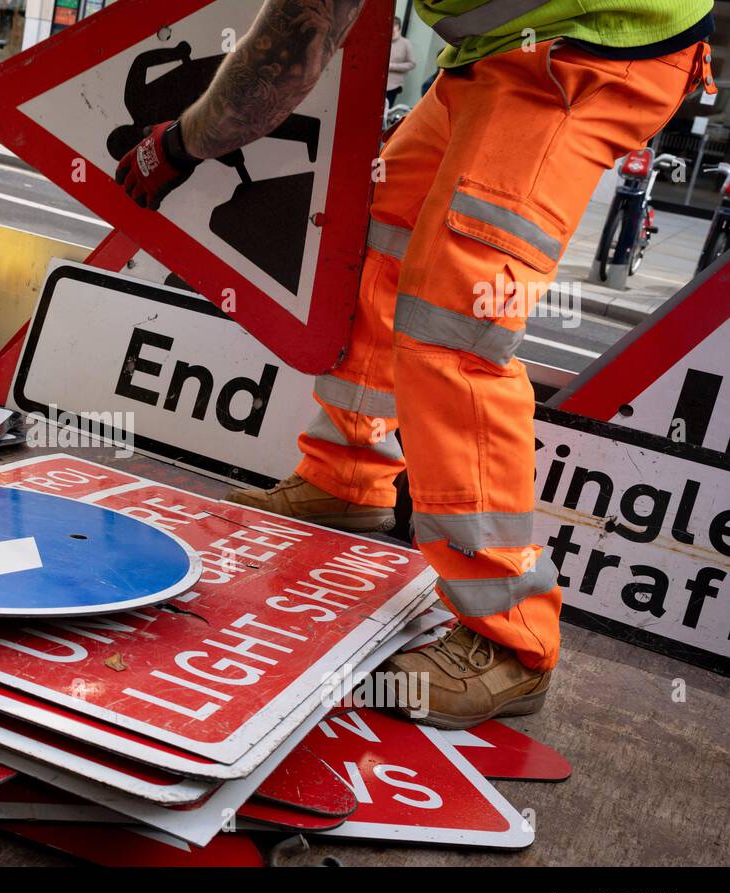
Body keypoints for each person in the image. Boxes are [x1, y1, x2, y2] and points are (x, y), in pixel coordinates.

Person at [115, 0, 715, 729]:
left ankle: (511, 641)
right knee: (383, 243)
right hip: (493, 57)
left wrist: (177, 145)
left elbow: (282, 57)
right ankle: (348, 476)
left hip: (592, 55)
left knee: (455, 327)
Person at [386, 16, 415, 106]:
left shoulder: (405, 43)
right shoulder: (383, 40)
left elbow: (412, 63)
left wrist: (392, 66)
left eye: (394, 26)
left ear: (399, 28)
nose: (392, 28)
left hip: (393, 86)